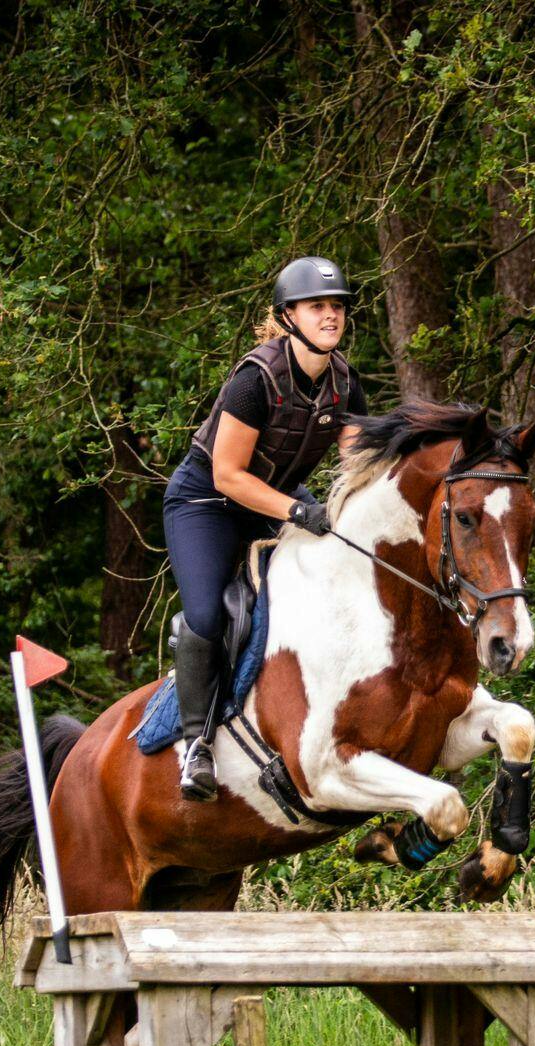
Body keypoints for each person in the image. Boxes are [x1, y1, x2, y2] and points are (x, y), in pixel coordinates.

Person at [162, 256, 369, 801]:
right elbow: (229, 475)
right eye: (318, 306)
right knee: (207, 614)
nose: (331, 315)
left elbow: (358, 466)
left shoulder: (345, 383)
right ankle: (194, 748)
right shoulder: (256, 380)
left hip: (275, 501)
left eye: (337, 306)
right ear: (289, 316)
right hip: (206, 502)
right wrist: (299, 511)